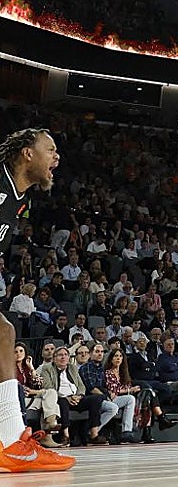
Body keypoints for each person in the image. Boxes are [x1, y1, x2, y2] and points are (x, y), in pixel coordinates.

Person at [0, 129, 73, 471]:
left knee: (3, 332)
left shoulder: (20, 199)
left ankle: (13, 442)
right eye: (51, 149)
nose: (56, 157)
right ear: (28, 154)